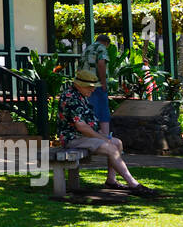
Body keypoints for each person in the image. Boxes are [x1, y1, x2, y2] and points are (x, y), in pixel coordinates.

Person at [56, 67, 160, 197]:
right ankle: (134, 185)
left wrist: (102, 136)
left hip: (83, 136)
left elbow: (88, 123)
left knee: (117, 143)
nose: (93, 89)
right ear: (79, 85)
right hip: (73, 138)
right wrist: (102, 138)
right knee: (111, 148)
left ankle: (111, 181)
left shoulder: (81, 95)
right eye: (89, 86)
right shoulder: (71, 97)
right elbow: (81, 127)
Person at [80, 34, 113, 134]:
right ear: (106, 43)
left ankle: (92, 136)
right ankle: (106, 137)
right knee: (103, 112)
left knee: (90, 111)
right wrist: (103, 83)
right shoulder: (101, 48)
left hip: (84, 85)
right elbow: (101, 64)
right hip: (96, 85)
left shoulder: (88, 48)